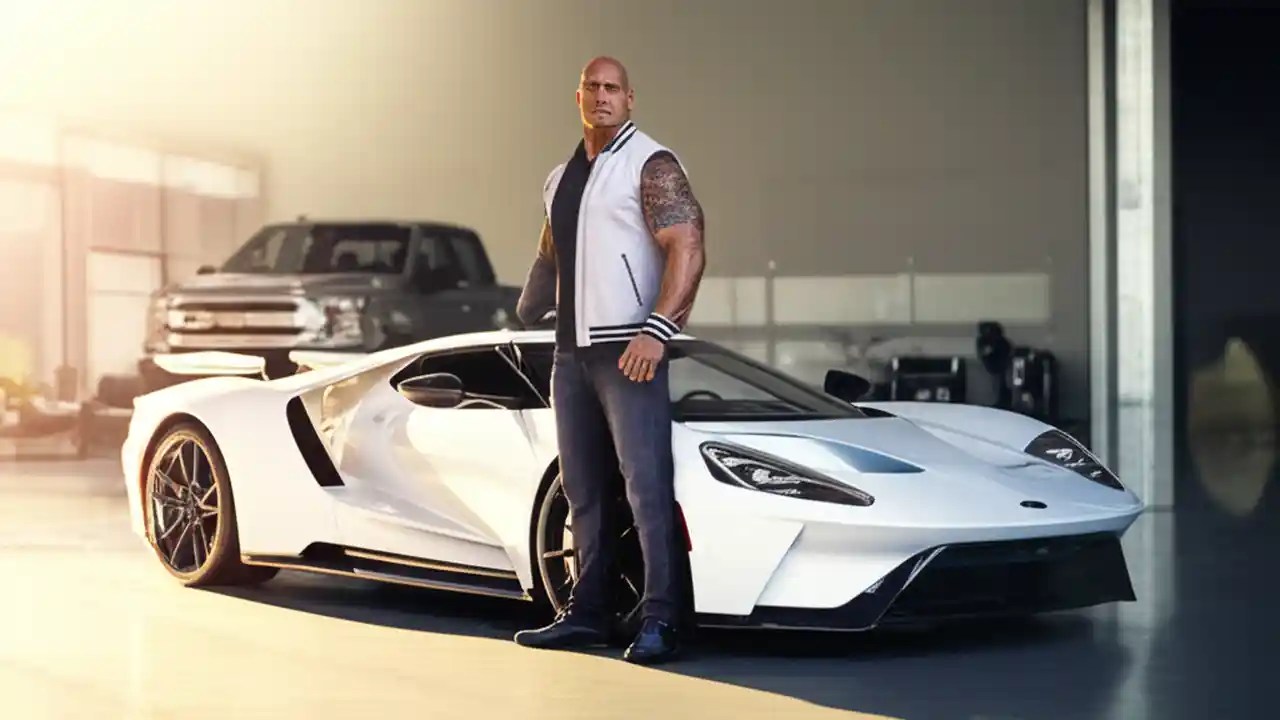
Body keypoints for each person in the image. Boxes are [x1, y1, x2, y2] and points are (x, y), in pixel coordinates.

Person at [512, 56, 706, 665]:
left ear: (629, 98)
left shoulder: (650, 163)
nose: (602, 96)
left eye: (612, 88)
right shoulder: (560, 178)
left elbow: (688, 245)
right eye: (592, 87)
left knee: (646, 489)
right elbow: (552, 250)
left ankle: (662, 619)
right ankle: (587, 613)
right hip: (570, 355)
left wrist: (658, 331)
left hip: (629, 352)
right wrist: (527, 307)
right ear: (578, 98)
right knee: (583, 490)